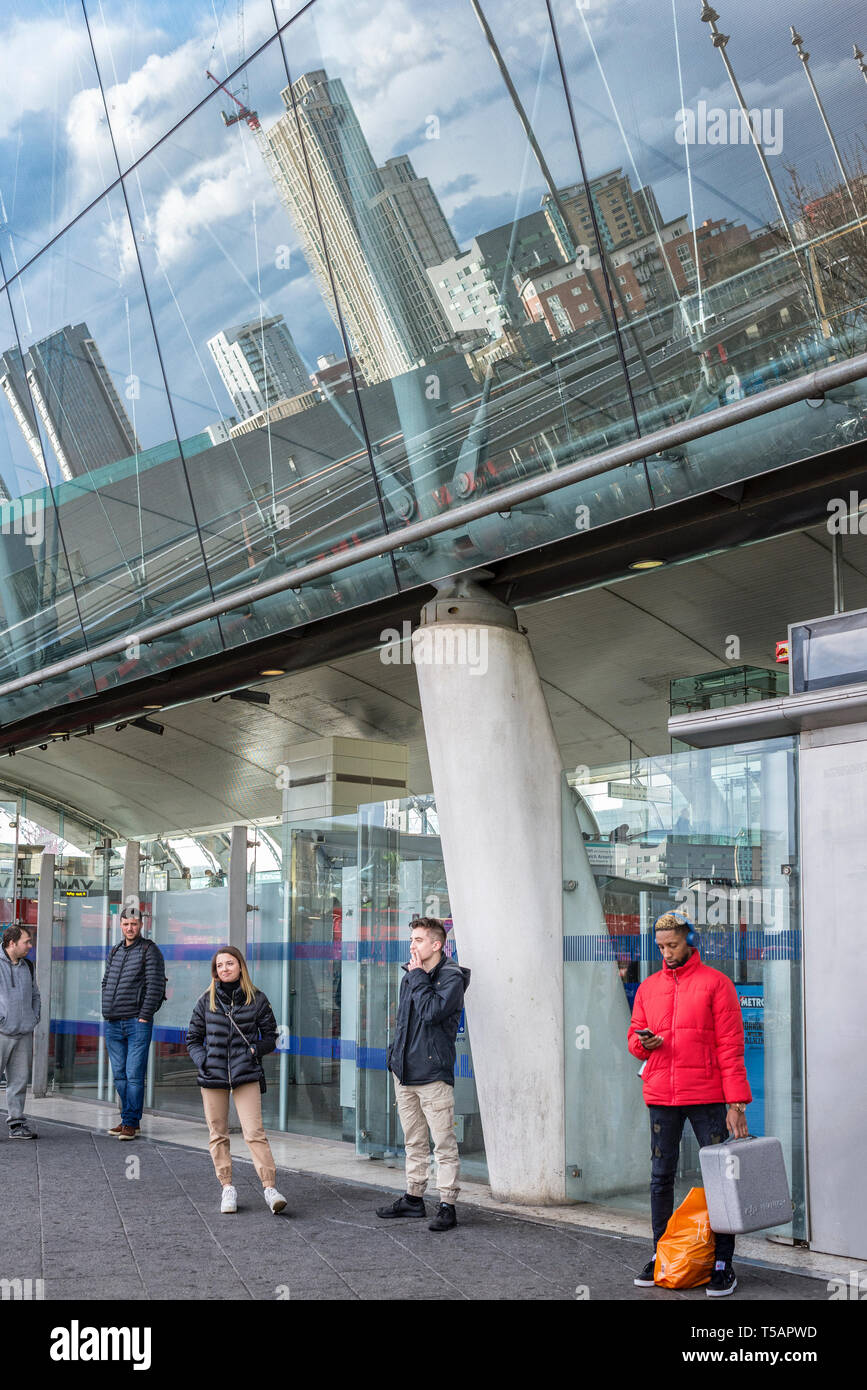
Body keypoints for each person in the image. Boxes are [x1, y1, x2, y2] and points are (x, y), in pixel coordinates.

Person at [627, 911, 751, 1297]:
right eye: (661, 946)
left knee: (719, 1180)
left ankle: (721, 1262)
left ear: (689, 940)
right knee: (660, 1178)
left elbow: (731, 1047)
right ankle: (662, 1254)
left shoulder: (717, 984)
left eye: (673, 945)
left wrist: (737, 1103)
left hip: (708, 1097)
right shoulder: (648, 988)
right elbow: (633, 1039)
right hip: (663, 1095)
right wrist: (643, 1043)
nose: (666, 952)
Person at [376, 916, 470, 1233]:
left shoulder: (451, 977)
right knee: (413, 1140)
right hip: (404, 1071)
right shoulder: (411, 975)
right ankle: (414, 1198)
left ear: (436, 945)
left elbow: (432, 1013)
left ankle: (448, 1205)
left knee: (443, 1143)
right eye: (412, 939)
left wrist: (416, 975)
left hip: (432, 1074)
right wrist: (394, 1057)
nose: (412, 945)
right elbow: (403, 1022)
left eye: (418, 940)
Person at [186, 946, 287, 1216]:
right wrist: (203, 1060)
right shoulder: (206, 1001)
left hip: (246, 1074)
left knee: (255, 1133)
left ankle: (270, 1188)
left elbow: (270, 1036)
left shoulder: (257, 999)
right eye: (220, 966)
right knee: (217, 1135)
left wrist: (255, 1050)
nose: (225, 969)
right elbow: (192, 1039)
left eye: (229, 964)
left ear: (240, 966)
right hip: (213, 1075)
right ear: (215, 972)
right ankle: (227, 1187)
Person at [101, 906, 166, 1140]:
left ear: (141, 925)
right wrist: (105, 1008)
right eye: (126, 924)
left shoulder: (150, 950)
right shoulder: (116, 951)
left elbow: (155, 985)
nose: (130, 928)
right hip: (113, 1021)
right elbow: (106, 982)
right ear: (120, 925)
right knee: (119, 1074)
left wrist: (144, 1015)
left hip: (136, 1022)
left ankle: (129, 1122)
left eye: (134, 924)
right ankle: (130, 1120)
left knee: (134, 1074)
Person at [0, 925, 41, 1139]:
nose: (30, 945)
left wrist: (33, 1018)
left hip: (23, 1032)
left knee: (18, 1081)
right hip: (1, 1032)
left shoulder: (28, 966)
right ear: (12, 943)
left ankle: (17, 1124)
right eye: (26, 941)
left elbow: (36, 994)